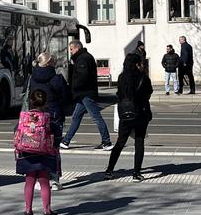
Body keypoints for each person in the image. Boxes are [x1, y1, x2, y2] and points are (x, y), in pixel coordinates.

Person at [103, 53, 154, 181]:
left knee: (120, 142)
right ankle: (136, 173)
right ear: (137, 64)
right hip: (140, 113)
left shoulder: (122, 77)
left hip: (125, 113)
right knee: (139, 141)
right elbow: (149, 93)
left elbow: (119, 94)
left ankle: (109, 170)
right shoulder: (143, 78)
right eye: (140, 63)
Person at [29, 51, 70, 189]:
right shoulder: (57, 78)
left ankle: (39, 179)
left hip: (36, 117)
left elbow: (28, 96)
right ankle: (54, 179)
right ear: (49, 63)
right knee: (53, 148)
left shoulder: (32, 78)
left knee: (38, 147)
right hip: (54, 116)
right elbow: (66, 97)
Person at [16, 89, 60, 215]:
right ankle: (47, 211)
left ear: (30, 101)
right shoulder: (48, 118)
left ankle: (28, 211)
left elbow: (16, 132)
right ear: (45, 102)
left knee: (29, 182)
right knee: (44, 182)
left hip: (27, 153)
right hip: (44, 154)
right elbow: (56, 135)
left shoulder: (24, 117)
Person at [60, 41, 111, 150]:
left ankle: (106, 142)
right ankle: (66, 141)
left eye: (71, 49)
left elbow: (82, 77)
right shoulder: (85, 57)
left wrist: (73, 88)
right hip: (84, 93)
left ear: (77, 48)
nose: (70, 52)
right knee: (76, 117)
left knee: (96, 117)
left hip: (85, 93)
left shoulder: (82, 59)